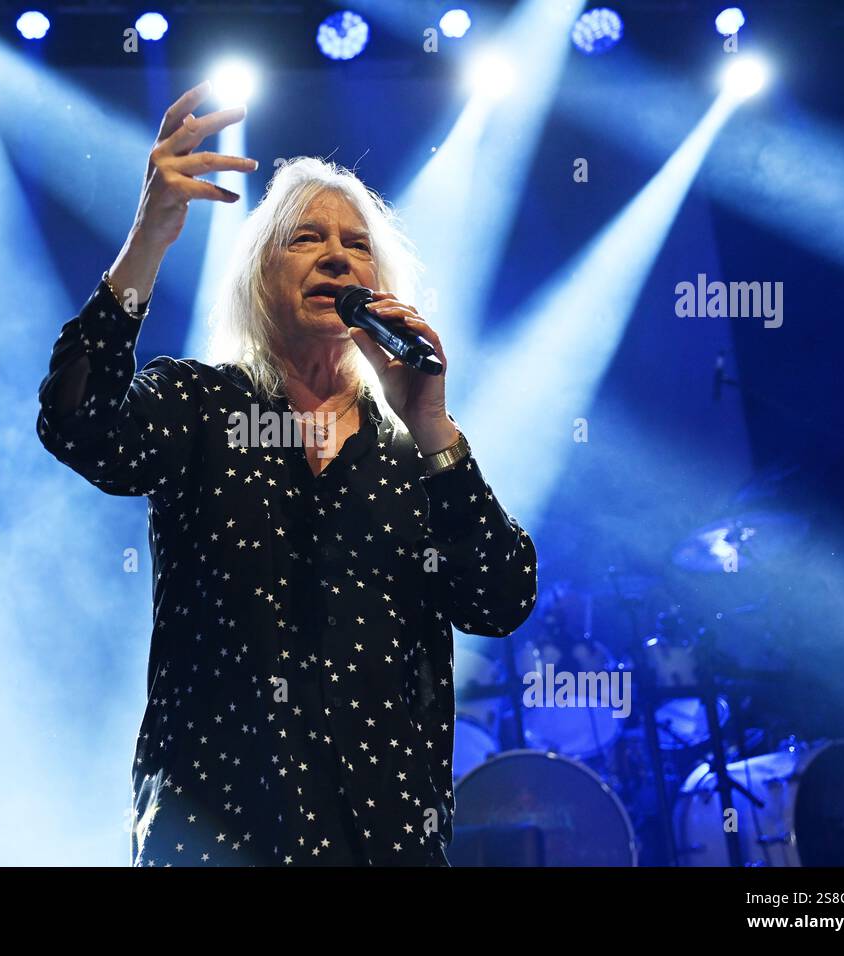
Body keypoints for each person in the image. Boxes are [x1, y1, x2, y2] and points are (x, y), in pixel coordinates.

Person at [37, 81, 537, 866]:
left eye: (357, 244)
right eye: (306, 238)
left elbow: (499, 599)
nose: (337, 254)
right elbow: (79, 424)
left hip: (385, 838)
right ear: (258, 276)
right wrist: (149, 238)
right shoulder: (199, 404)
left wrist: (434, 425)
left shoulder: (416, 453)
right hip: (215, 835)